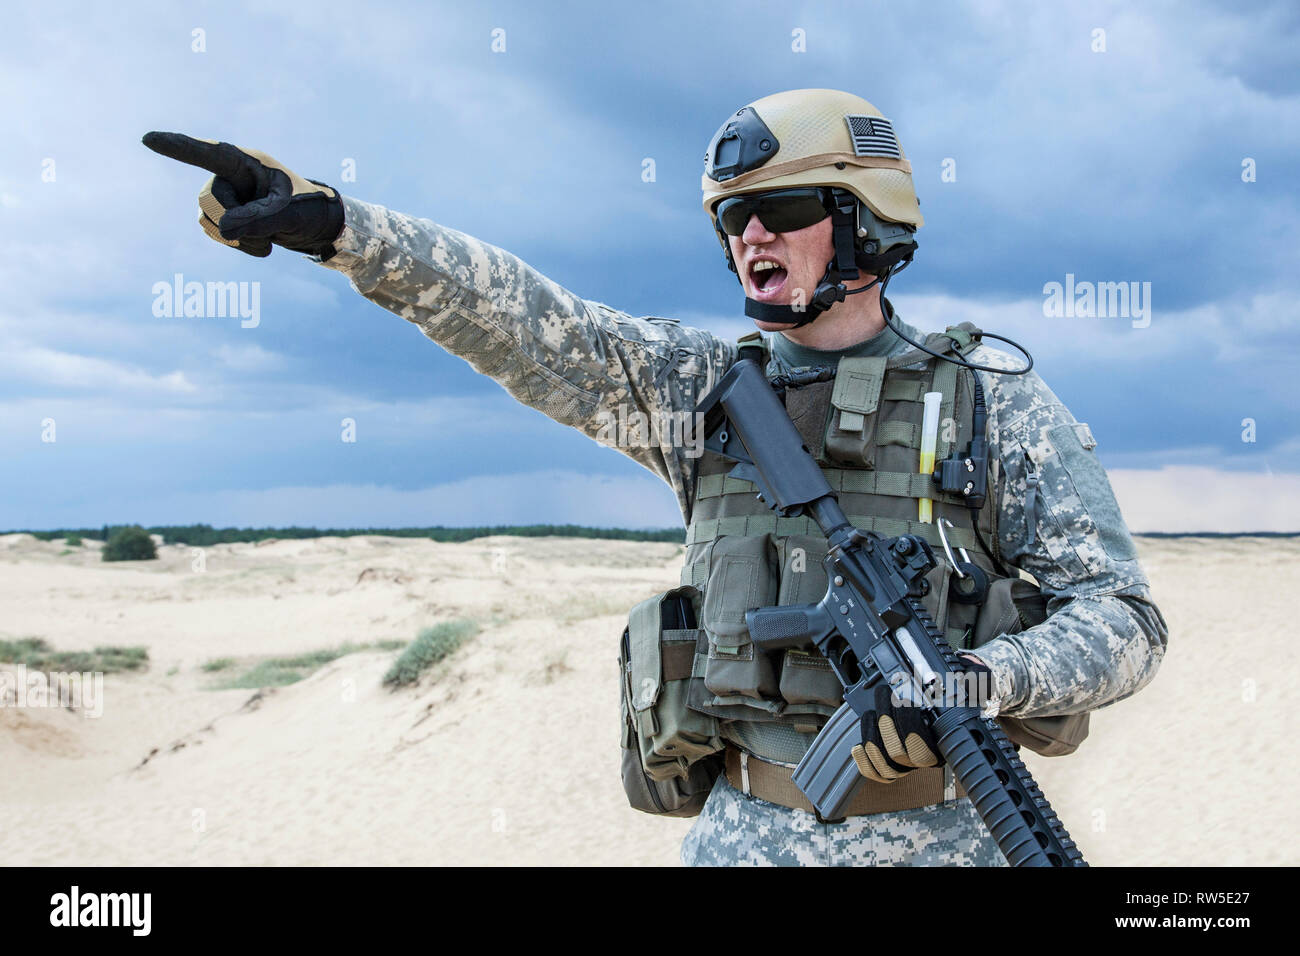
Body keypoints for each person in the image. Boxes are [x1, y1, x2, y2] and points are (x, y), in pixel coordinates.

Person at [144, 88, 1168, 867]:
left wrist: (972, 682)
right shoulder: (702, 395)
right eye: (732, 218)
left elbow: (1123, 620)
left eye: (782, 208)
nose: (749, 235)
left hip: (945, 835)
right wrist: (341, 230)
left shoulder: (991, 401)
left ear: (863, 219)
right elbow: (527, 322)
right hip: (739, 836)